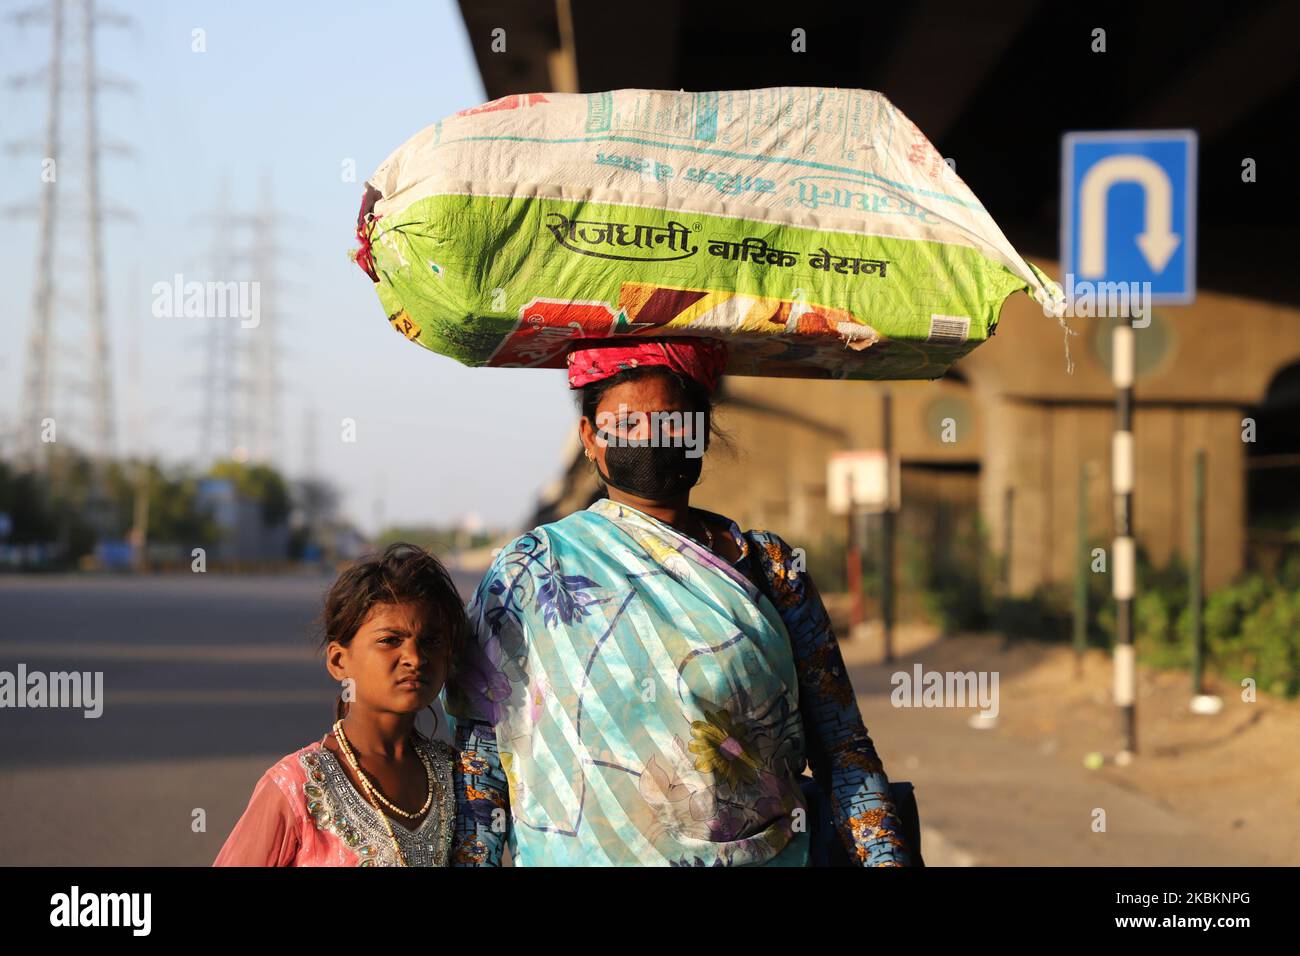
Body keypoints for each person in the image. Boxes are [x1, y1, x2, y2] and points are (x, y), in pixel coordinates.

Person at [444, 337, 913, 866]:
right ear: (589, 439)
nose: (650, 438)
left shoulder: (771, 569)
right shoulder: (530, 571)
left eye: (673, 423)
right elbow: (481, 752)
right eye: (625, 425)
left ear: (702, 436)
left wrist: (883, 856)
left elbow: (842, 746)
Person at [214, 544, 467, 866]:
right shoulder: (296, 787)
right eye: (390, 640)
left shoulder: (459, 776)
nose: (415, 658)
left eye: (431, 641)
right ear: (338, 660)